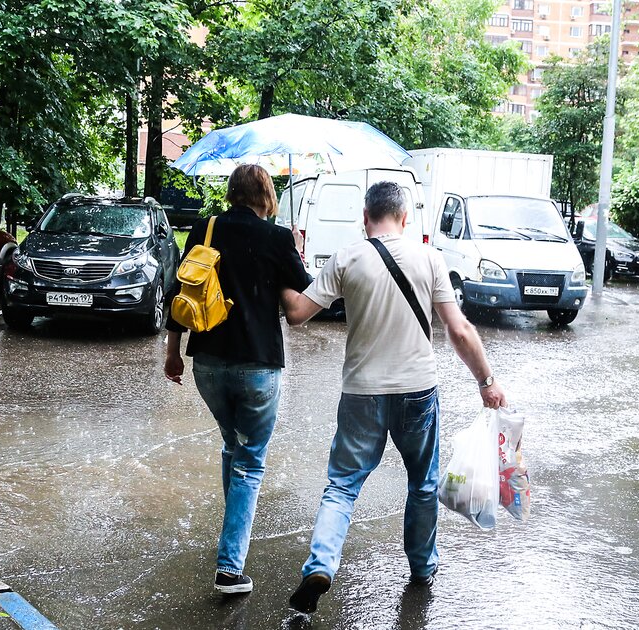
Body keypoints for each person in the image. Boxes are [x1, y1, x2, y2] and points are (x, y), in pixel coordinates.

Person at [279, 181, 507, 614]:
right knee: (422, 483)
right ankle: (422, 568)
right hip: (417, 391)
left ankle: (321, 565)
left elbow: (297, 313)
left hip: (361, 393)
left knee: (342, 486)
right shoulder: (429, 258)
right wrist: (486, 381)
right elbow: (459, 330)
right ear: (405, 218)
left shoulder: (348, 257)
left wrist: (284, 260)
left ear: (365, 218)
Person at [163, 164, 310, 594]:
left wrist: (173, 352)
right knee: (249, 462)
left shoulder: (205, 229)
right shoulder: (278, 237)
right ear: (266, 195)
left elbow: (181, 293)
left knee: (234, 446)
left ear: (232, 193)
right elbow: (301, 301)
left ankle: (234, 527)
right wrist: (296, 249)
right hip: (259, 366)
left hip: (207, 362)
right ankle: (229, 567)